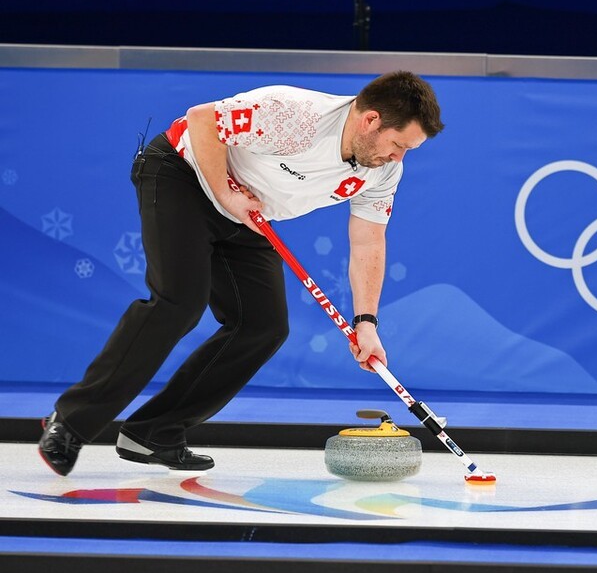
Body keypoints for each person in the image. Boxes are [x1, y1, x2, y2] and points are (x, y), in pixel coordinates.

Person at [36, 71, 444, 476]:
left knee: (263, 325)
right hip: (184, 174)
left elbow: (369, 240)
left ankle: (154, 431)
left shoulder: (383, 171)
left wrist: (366, 323)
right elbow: (202, 120)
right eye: (398, 145)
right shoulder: (297, 114)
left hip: (246, 212)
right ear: (370, 120)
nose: (398, 158)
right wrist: (227, 194)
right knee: (179, 302)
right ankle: (70, 423)